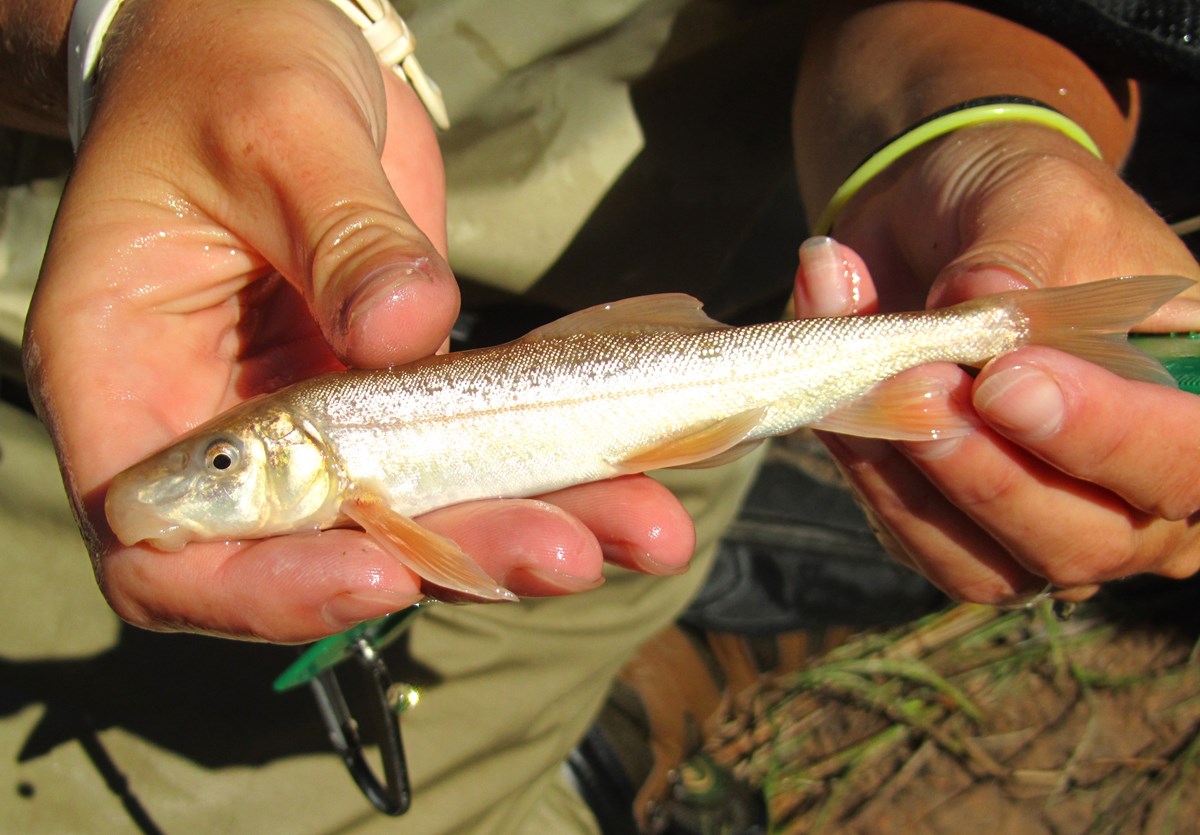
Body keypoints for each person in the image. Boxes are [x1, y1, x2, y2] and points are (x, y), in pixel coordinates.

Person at [2, 0, 1199, 832]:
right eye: (219, 470)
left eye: (224, 469)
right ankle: (662, 695)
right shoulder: (260, 428)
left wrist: (988, 126)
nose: (206, 482)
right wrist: (122, 29)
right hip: (91, 294)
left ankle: (643, 706)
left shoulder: (331, 460)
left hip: (716, 312)